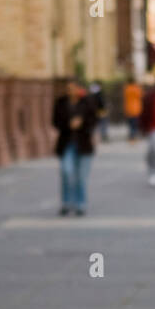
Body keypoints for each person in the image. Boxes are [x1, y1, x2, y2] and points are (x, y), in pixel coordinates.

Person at [51, 78, 98, 216]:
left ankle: (80, 204)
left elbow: (94, 120)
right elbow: (55, 121)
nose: (70, 91)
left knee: (81, 177)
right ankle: (66, 202)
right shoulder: (61, 103)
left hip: (83, 144)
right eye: (68, 88)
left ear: (79, 89)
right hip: (67, 143)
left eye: (72, 88)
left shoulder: (87, 102)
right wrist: (68, 124)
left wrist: (81, 123)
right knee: (66, 172)